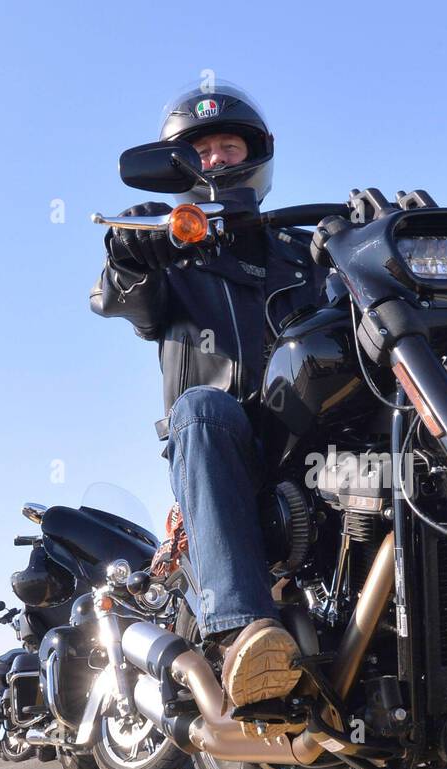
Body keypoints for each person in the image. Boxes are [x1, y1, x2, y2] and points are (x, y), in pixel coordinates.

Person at [91, 81, 328, 709]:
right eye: (203, 151)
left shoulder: (303, 253)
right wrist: (134, 253)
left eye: (230, 145)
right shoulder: (169, 245)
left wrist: (377, 232)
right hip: (224, 446)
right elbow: (124, 298)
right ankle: (244, 631)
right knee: (201, 406)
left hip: (310, 435)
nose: (219, 159)